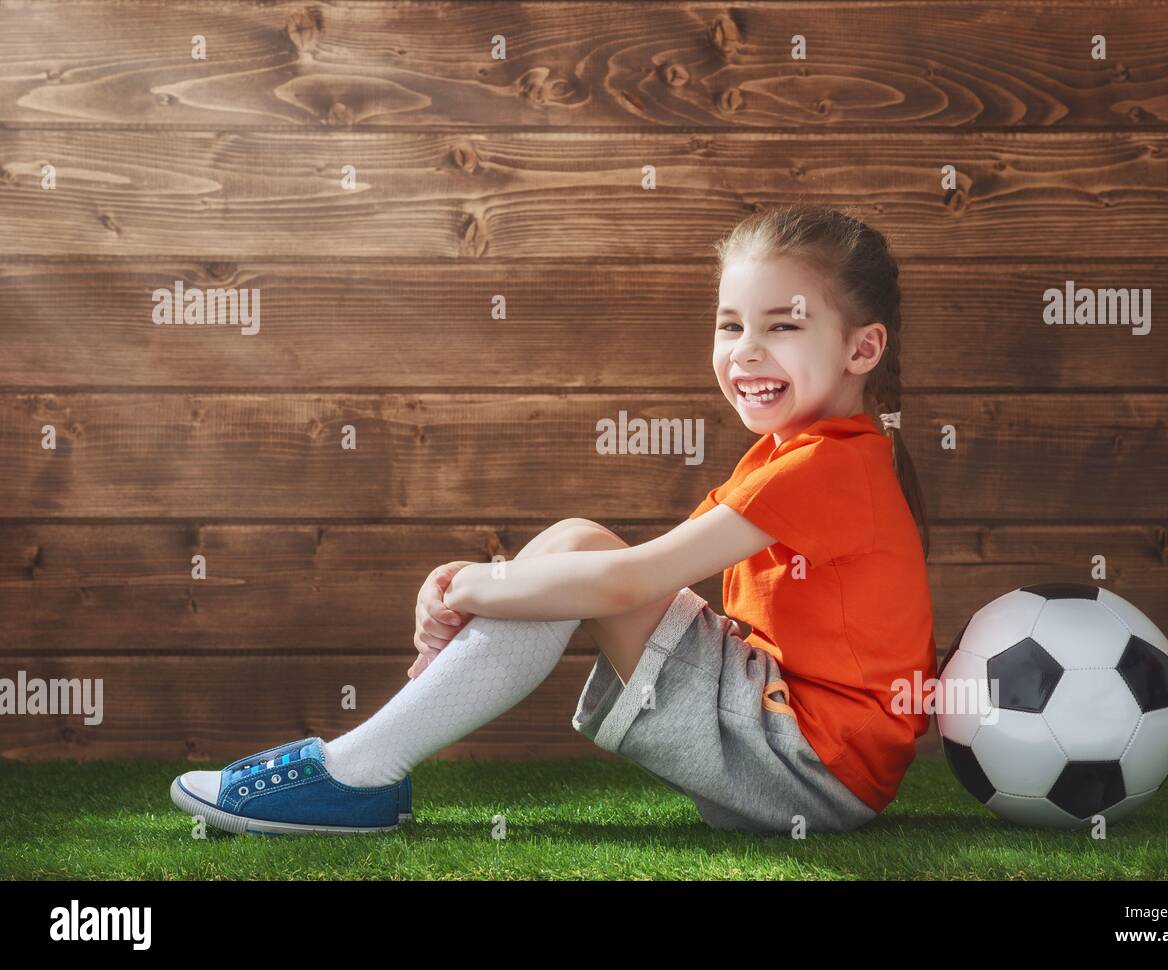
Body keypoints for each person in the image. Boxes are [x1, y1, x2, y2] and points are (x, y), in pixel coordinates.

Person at [169, 203, 936, 836]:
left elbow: (628, 581)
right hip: (796, 748)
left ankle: (358, 773)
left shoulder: (828, 465)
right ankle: (367, 766)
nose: (746, 352)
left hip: (806, 768)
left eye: (783, 326)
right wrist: (484, 587)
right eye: (731, 325)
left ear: (862, 348)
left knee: (579, 557)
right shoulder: (797, 454)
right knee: (571, 548)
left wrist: (478, 583)